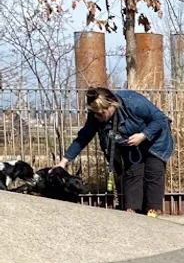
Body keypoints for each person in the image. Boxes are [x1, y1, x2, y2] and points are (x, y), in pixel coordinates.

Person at [56, 87, 174, 217]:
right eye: (94, 113)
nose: (97, 116)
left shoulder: (133, 102)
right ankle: (132, 210)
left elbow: (160, 119)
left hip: (155, 139)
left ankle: (153, 210)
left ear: (112, 106)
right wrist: (64, 161)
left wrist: (143, 135)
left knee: (153, 171)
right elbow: (83, 137)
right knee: (132, 172)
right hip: (131, 141)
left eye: (101, 114)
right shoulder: (96, 114)